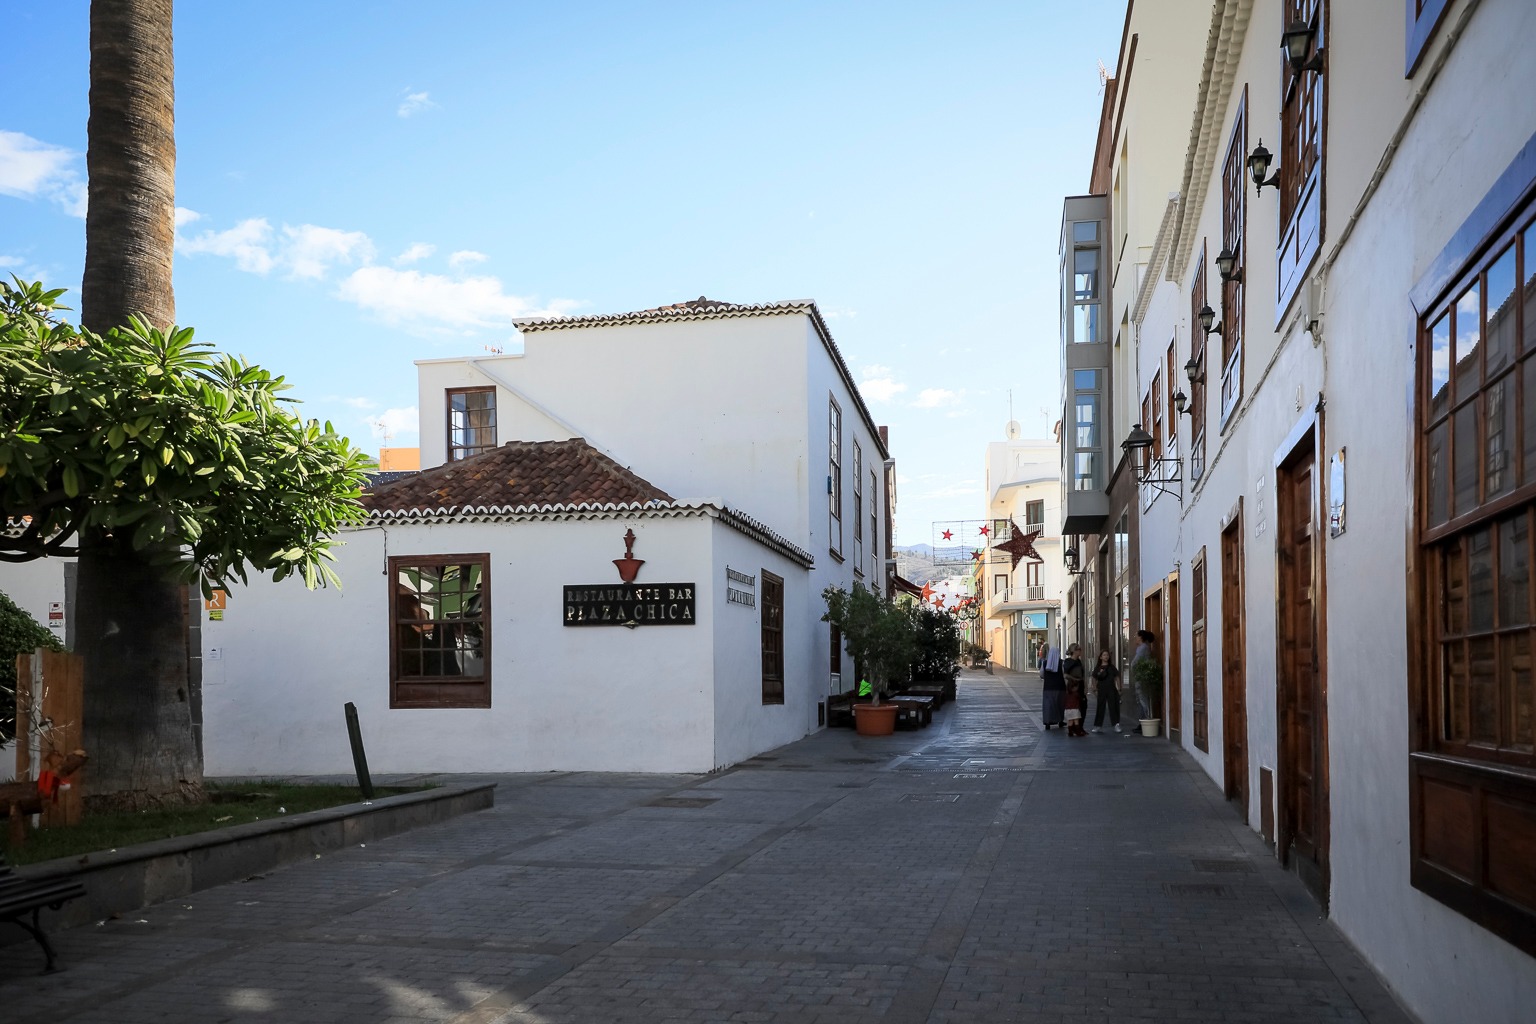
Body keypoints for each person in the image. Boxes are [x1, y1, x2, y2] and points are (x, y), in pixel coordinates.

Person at [1128, 629, 1155, 732]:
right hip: (1140, 676)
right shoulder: (1141, 648)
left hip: (1141, 677)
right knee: (1141, 700)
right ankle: (1142, 722)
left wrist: (1133, 668)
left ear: (1141, 637)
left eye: (1136, 636)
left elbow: (1136, 662)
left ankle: (1145, 722)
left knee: (1142, 700)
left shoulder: (1143, 648)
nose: (1135, 637)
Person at [1091, 650, 1122, 733]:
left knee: (1113, 707)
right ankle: (1098, 725)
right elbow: (1094, 678)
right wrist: (1094, 689)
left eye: (1107, 655)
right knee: (1100, 707)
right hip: (1101, 689)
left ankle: (1116, 725)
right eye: (1104, 655)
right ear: (1100, 657)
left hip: (1111, 689)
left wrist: (1119, 689)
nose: (1106, 656)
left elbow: (1117, 677)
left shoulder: (1112, 667)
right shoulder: (1097, 668)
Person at [1040, 645, 1065, 730]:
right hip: (1060, 688)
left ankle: (1048, 722)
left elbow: (1041, 675)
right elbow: (1064, 675)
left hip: (1048, 688)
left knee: (1048, 705)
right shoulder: (1061, 663)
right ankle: (1060, 720)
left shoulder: (1045, 663)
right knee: (1060, 705)